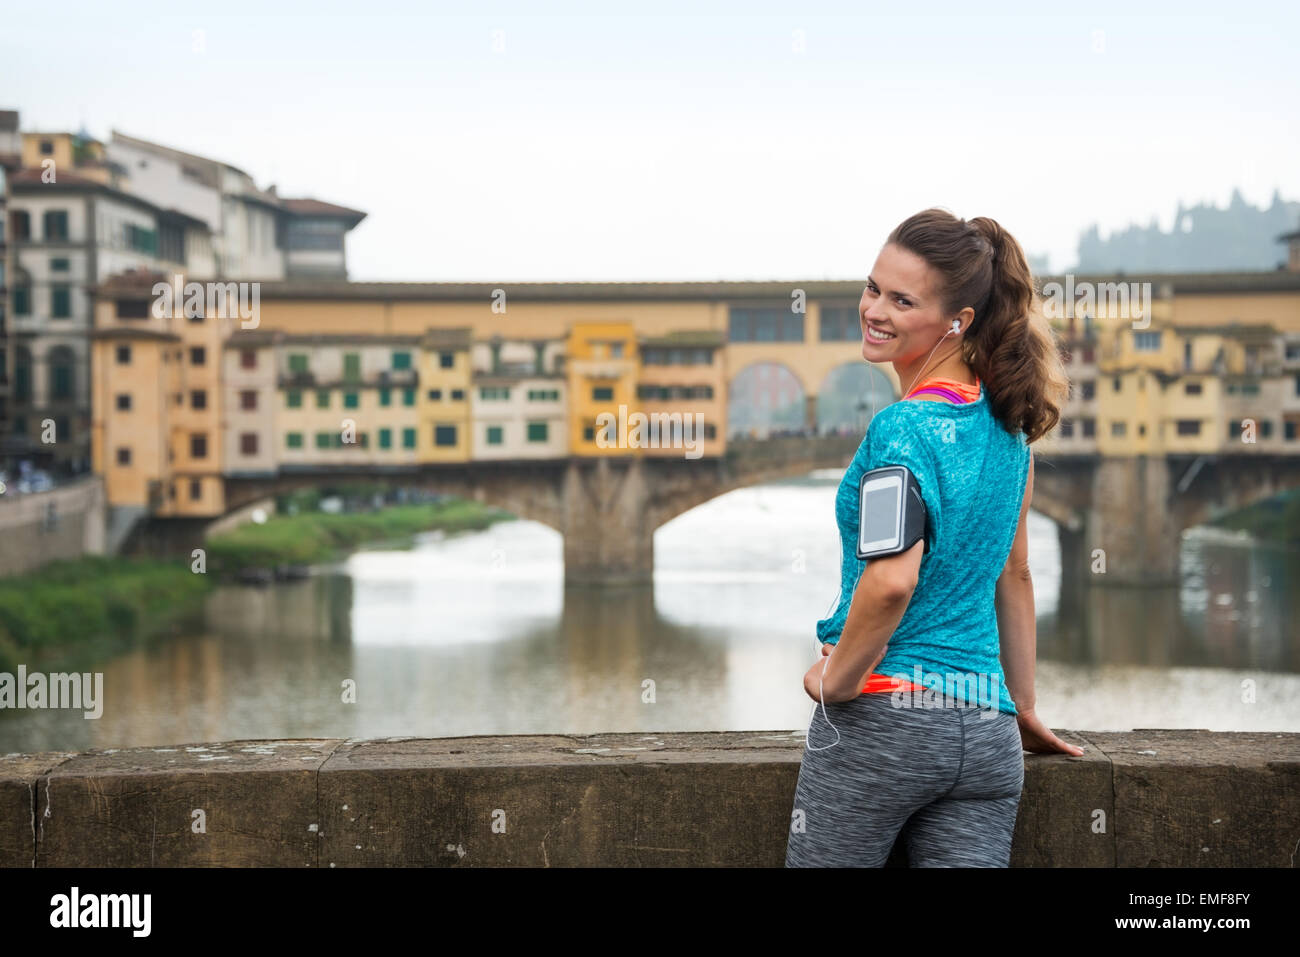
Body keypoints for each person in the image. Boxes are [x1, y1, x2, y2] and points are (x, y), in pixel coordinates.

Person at [785, 208, 1083, 869]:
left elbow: (892, 580)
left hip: (884, 722)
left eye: (902, 299)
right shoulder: (1012, 429)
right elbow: (1015, 575)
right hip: (987, 736)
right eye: (873, 288)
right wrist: (1022, 705)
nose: (875, 309)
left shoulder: (901, 431)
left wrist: (838, 679)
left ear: (959, 320)